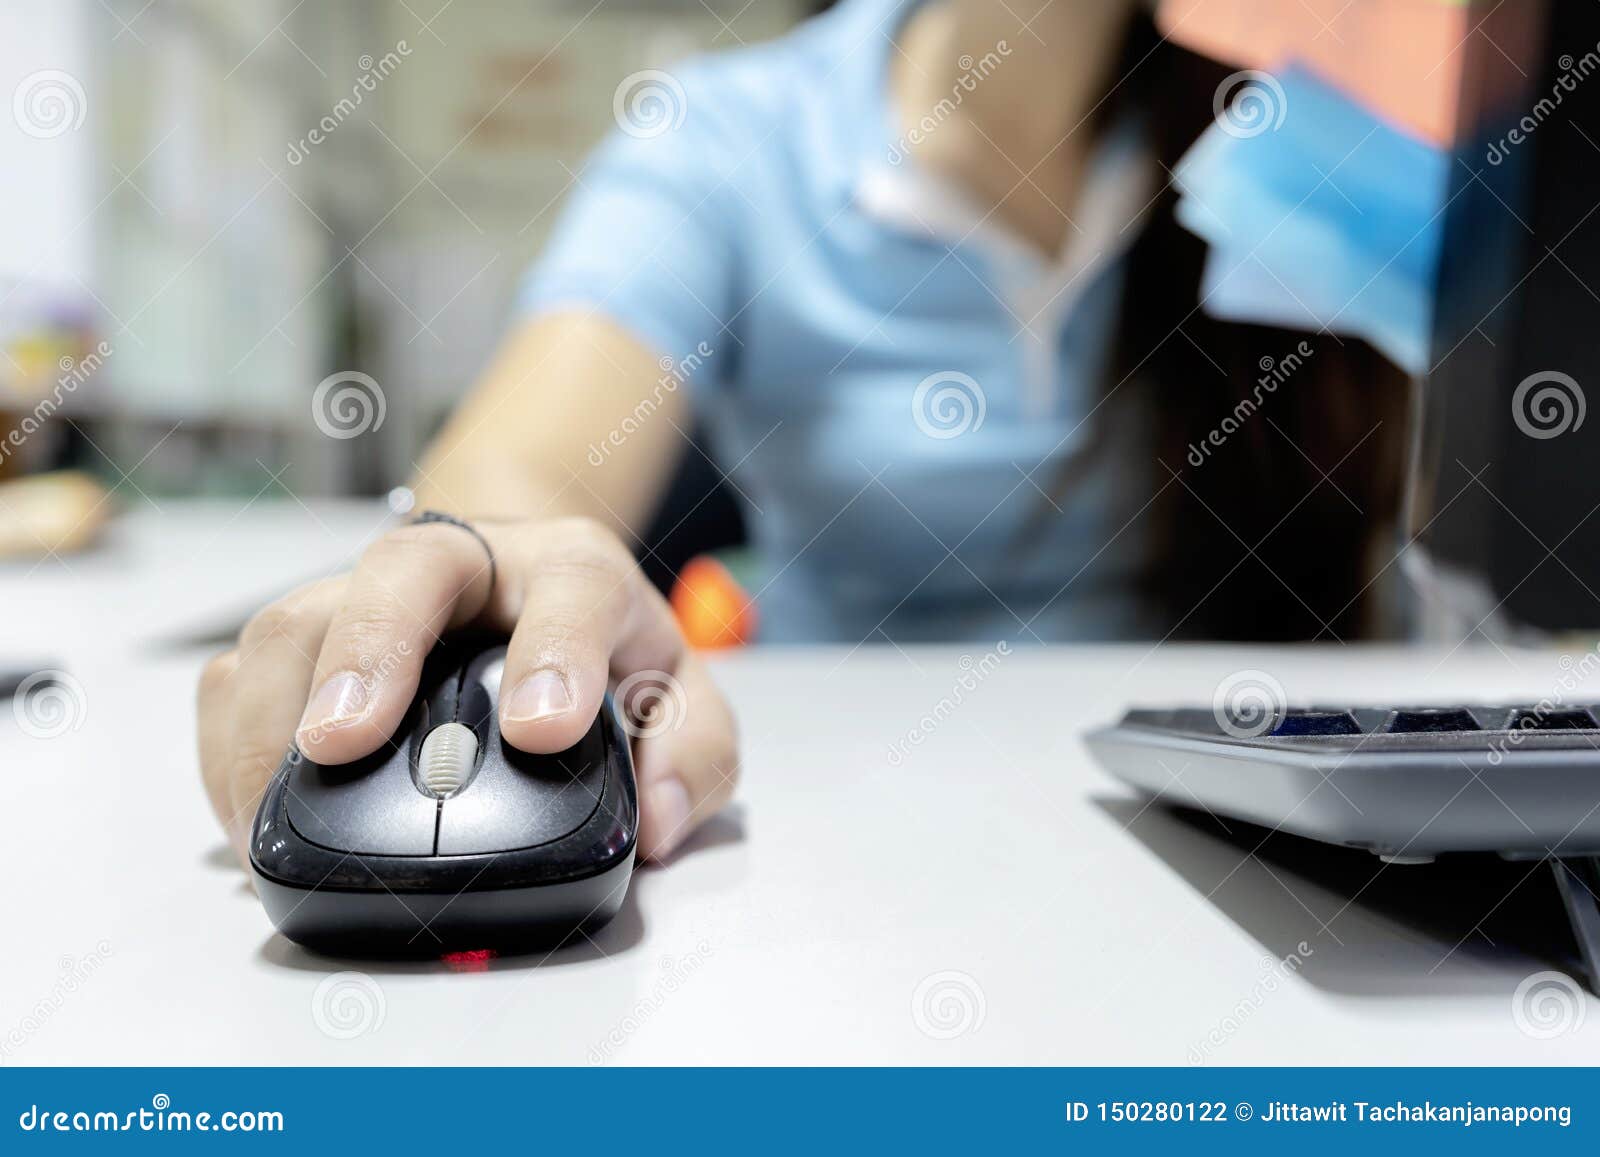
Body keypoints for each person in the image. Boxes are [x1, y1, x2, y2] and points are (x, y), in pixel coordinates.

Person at [198, 0, 1408, 865]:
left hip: (1253, 824)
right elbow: (527, 465)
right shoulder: (728, 139)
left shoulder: (1307, 137)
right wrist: (498, 565)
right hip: (839, 830)